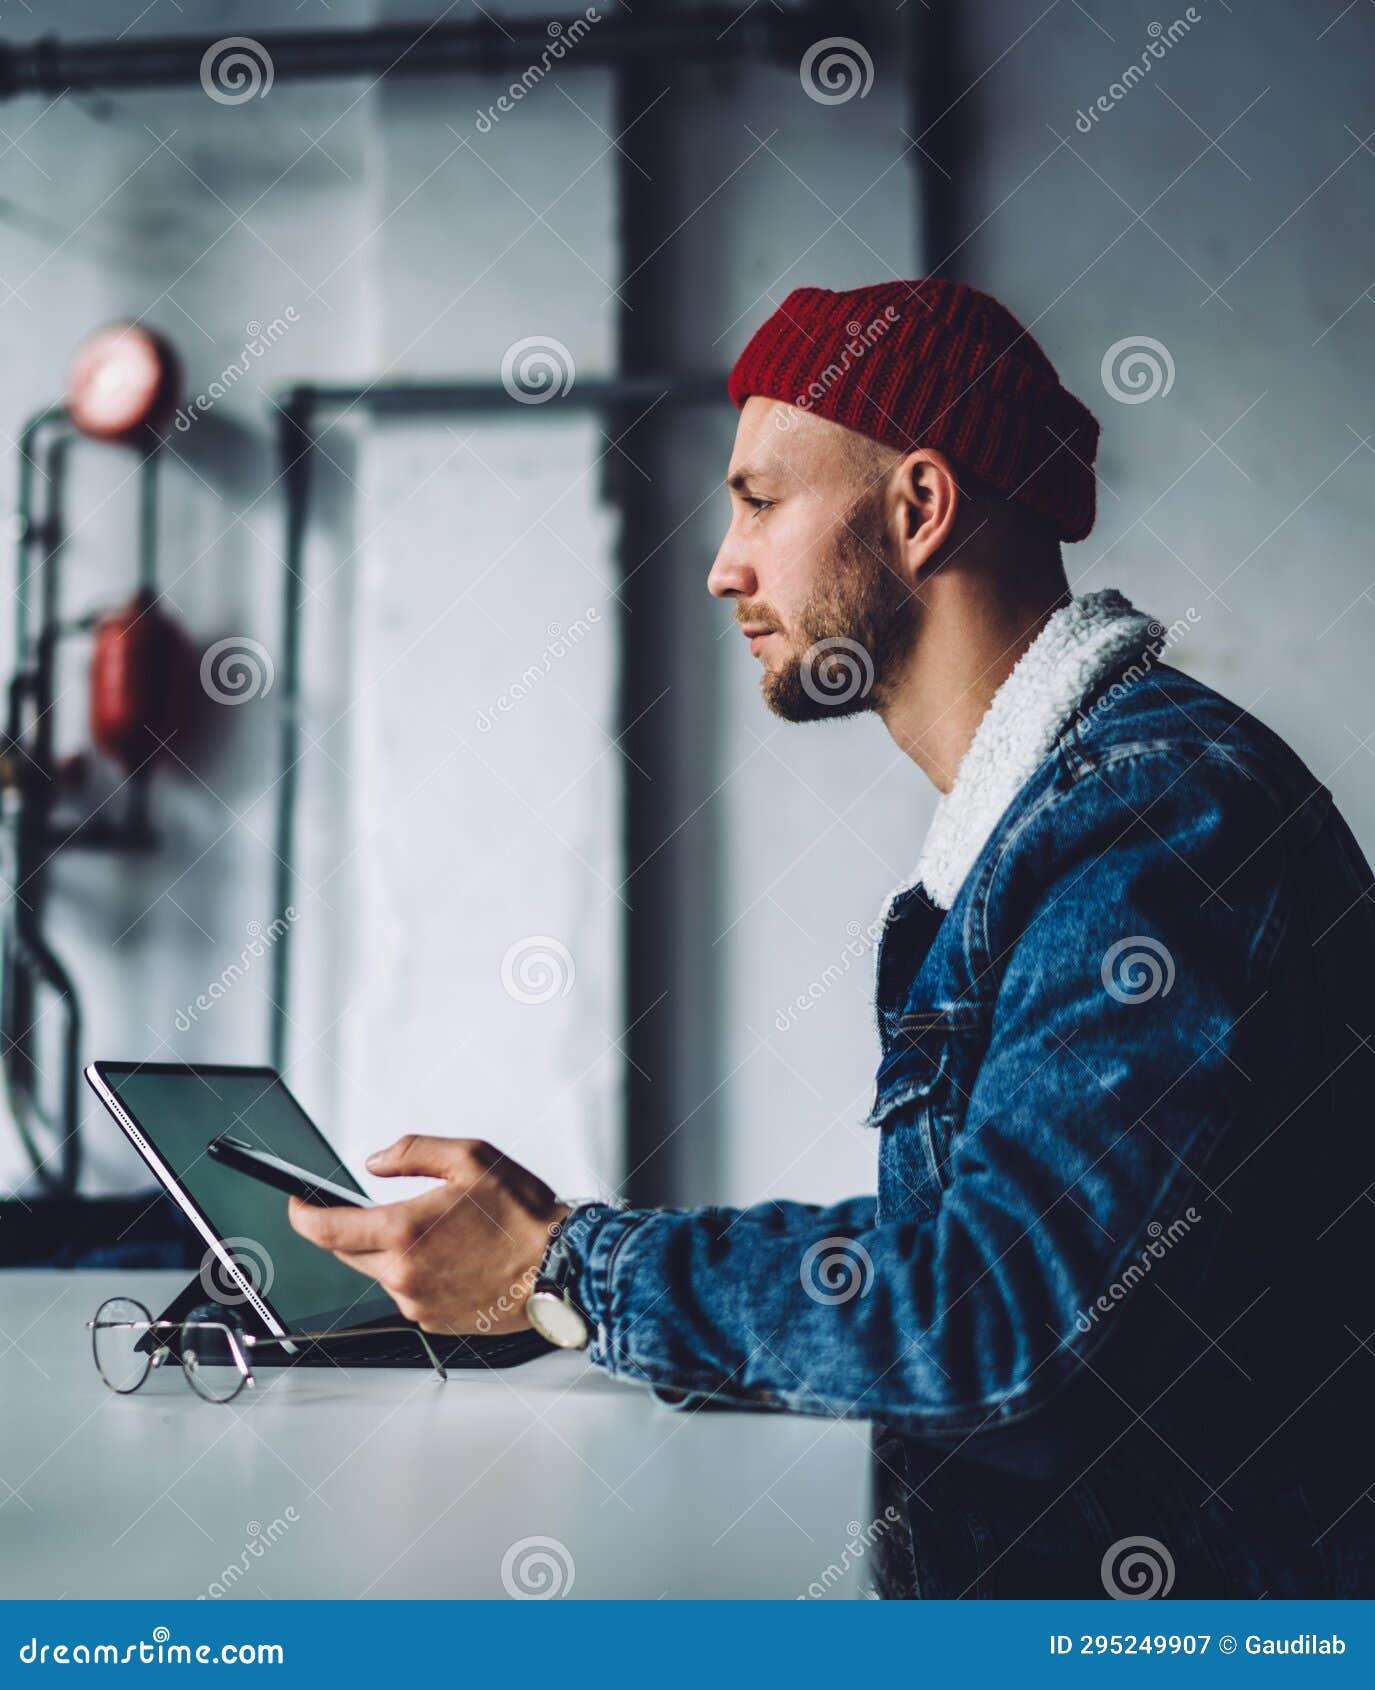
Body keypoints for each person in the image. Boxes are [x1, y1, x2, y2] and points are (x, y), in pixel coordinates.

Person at [291, 278, 1375, 1599]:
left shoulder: (1155, 822)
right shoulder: (1041, 834)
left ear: (920, 508)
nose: (721, 564)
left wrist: (559, 1263)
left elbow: (1002, 1304)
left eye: (759, 500)